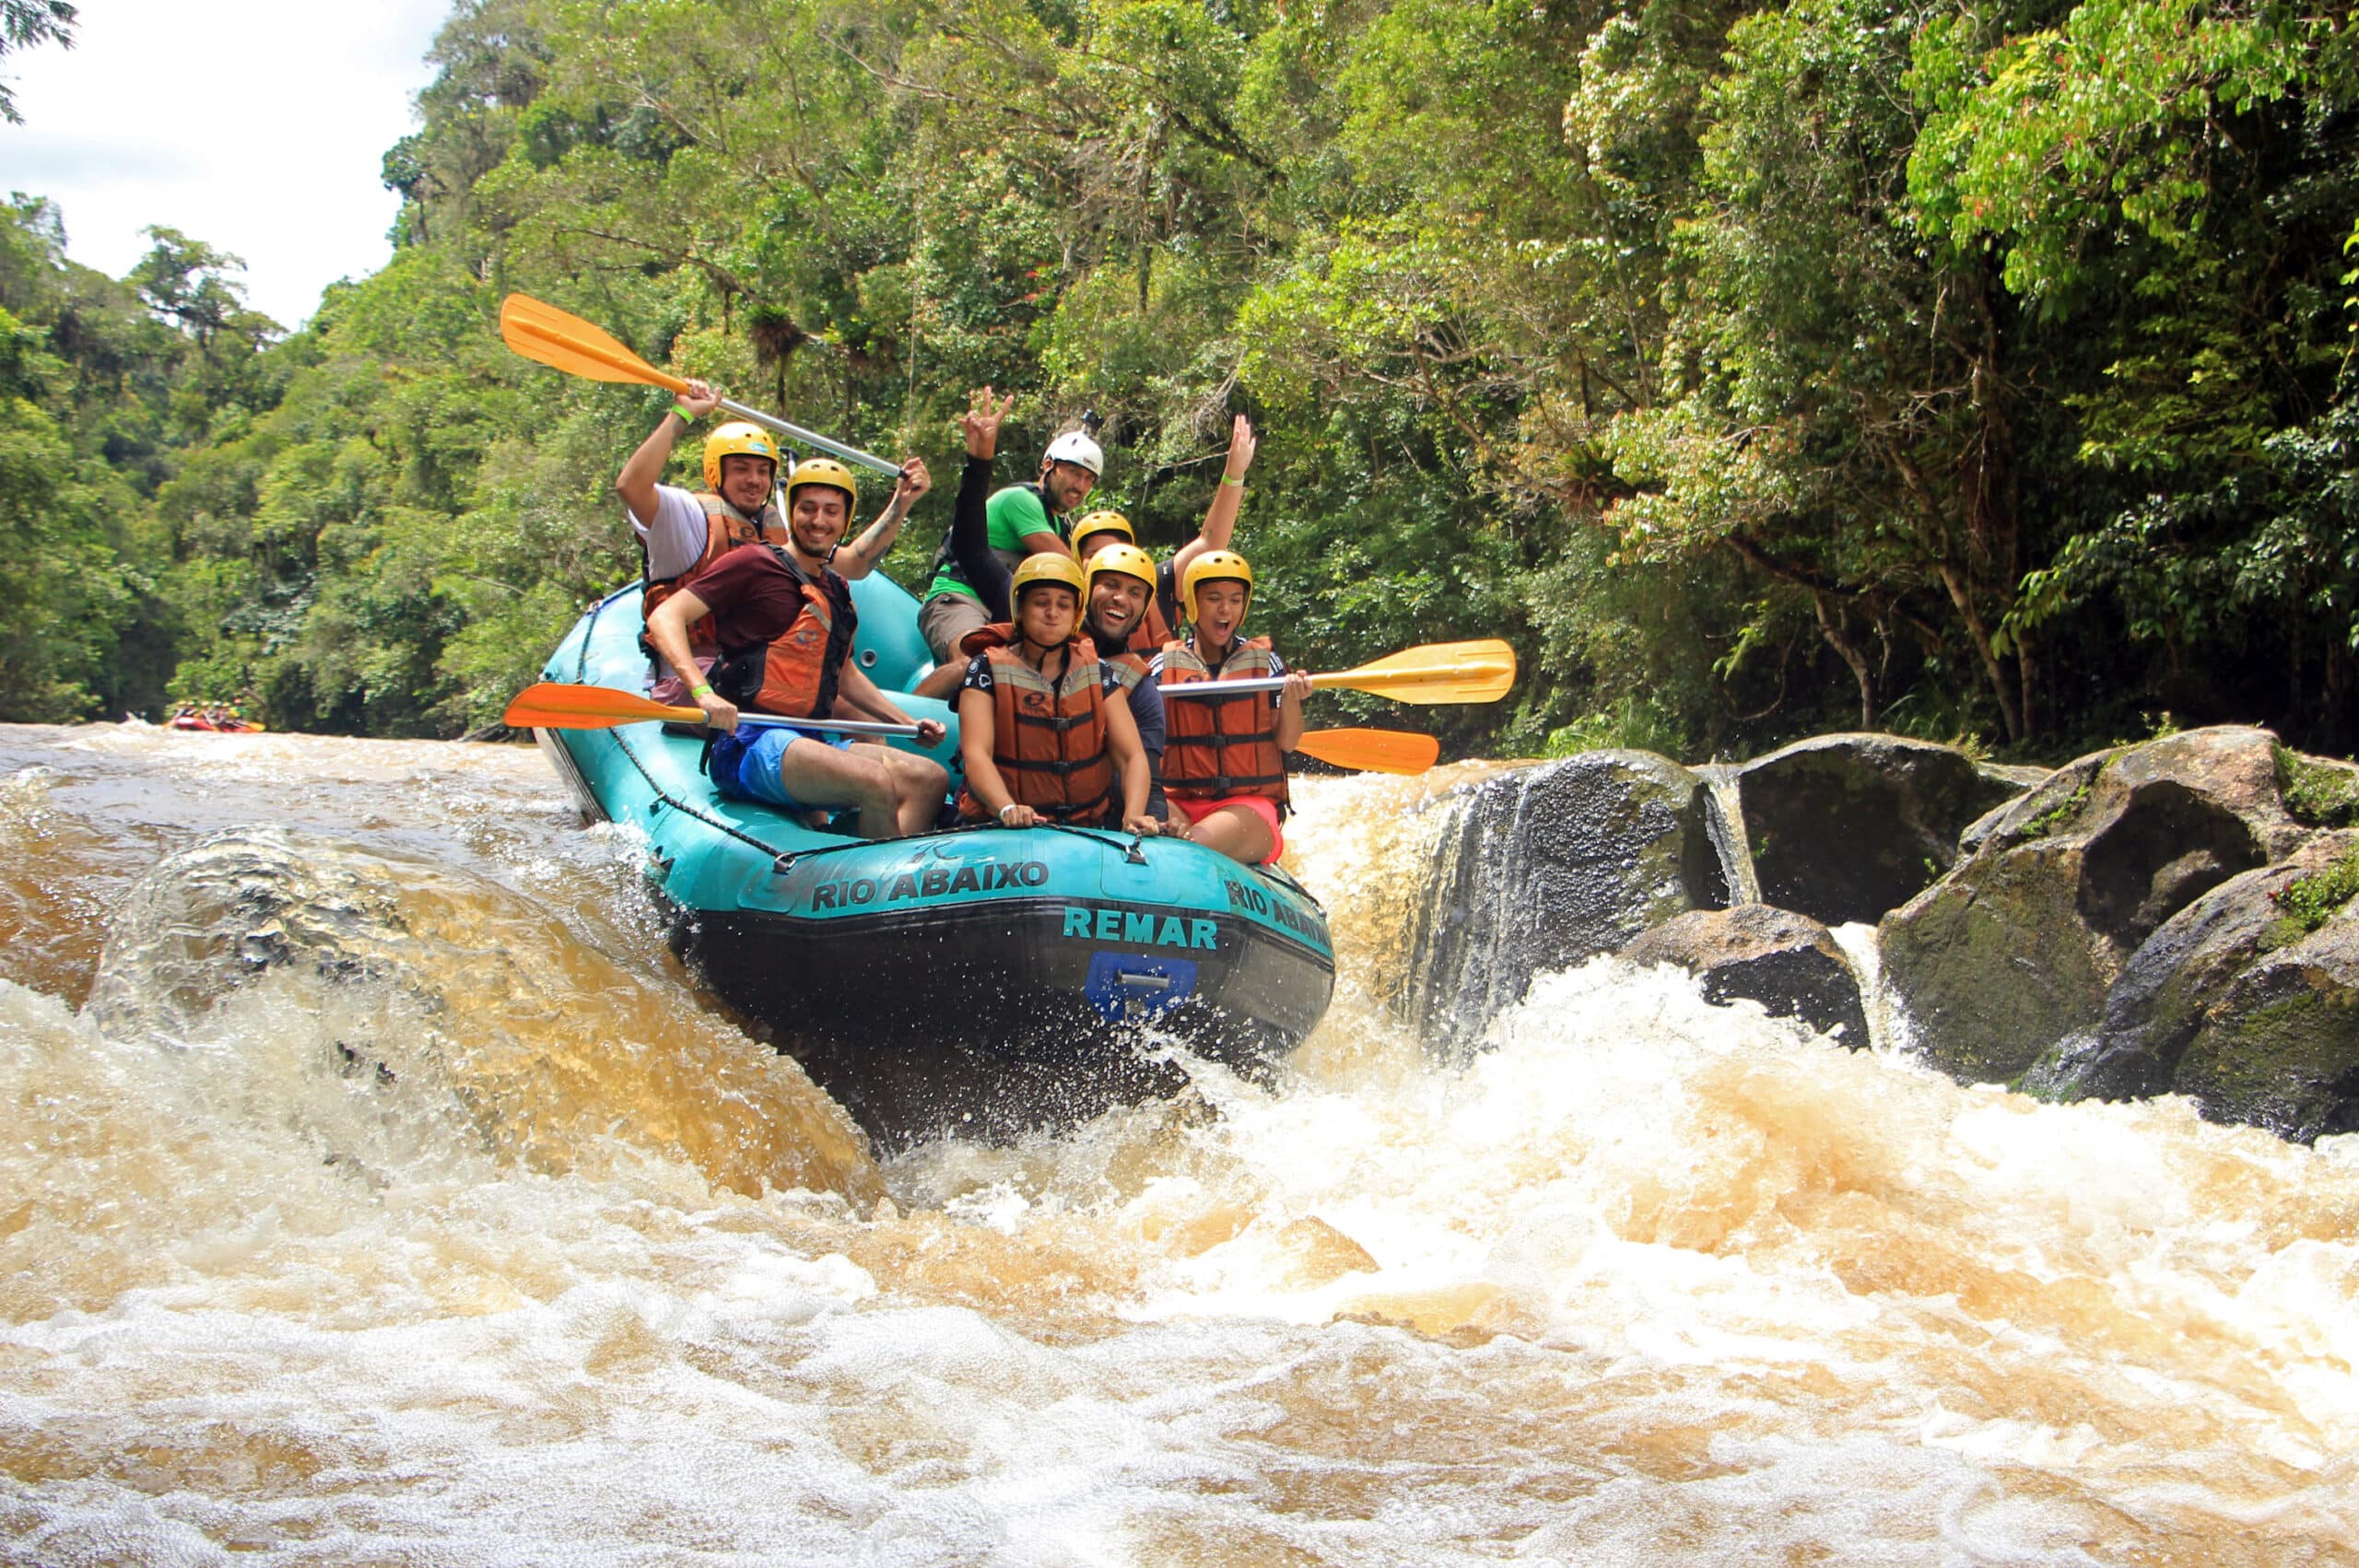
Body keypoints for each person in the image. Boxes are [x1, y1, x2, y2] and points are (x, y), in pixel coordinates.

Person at [642, 456, 949, 840]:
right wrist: (702, 693)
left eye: (831, 511)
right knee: (875, 781)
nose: (818, 520)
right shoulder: (753, 562)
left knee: (929, 779)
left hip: (812, 738)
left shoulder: (836, 590)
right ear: (792, 512)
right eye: (807, 508)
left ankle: (868, 858)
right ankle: (872, 876)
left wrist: (904, 724)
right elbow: (665, 617)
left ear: (844, 521)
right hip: (750, 741)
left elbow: (846, 677)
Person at [617, 378, 929, 700]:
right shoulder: (684, 515)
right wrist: (681, 415)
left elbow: (854, 564)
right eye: (741, 469)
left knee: (850, 712)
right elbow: (630, 487)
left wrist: (902, 501)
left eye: (763, 471)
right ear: (716, 471)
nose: (754, 480)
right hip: (694, 673)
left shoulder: (778, 530)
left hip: (756, 669)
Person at [956, 554, 1158, 835]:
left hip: (1084, 829)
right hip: (1002, 828)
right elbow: (976, 753)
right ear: (1020, 609)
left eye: (1063, 605)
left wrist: (1133, 813)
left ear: (1076, 615)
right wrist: (1007, 808)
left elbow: (1131, 756)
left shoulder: (1098, 673)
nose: (1052, 613)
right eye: (1041, 603)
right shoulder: (985, 669)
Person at [911, 415, 1104, 698]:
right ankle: (895, 726)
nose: (1081, 485)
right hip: (959, 597)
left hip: (1002, 612)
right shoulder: (1020, 500)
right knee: (972, 661)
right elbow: (1065, 566)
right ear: (1049, 465)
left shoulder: (1059, 526)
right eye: (1074, 473)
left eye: (1089, 479)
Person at [1155, 550, 1310, 865]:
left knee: (1189, 850)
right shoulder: (1161, 668)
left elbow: (1288, 742)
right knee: (1171, 841)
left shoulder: (1266, 664)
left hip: (1247, 806)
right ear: (1194, 602)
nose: (1226, 609)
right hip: (1178, 804)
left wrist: (1292, 698)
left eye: (1236, 600)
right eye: (1214, 598)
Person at [1068, 413, 1259, 664]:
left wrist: (1234, 474)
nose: (1107, 560)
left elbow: (1211, 542)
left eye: (1114, 551)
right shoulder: (1062, 607)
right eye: (1093, 555)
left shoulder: (1155, 585)